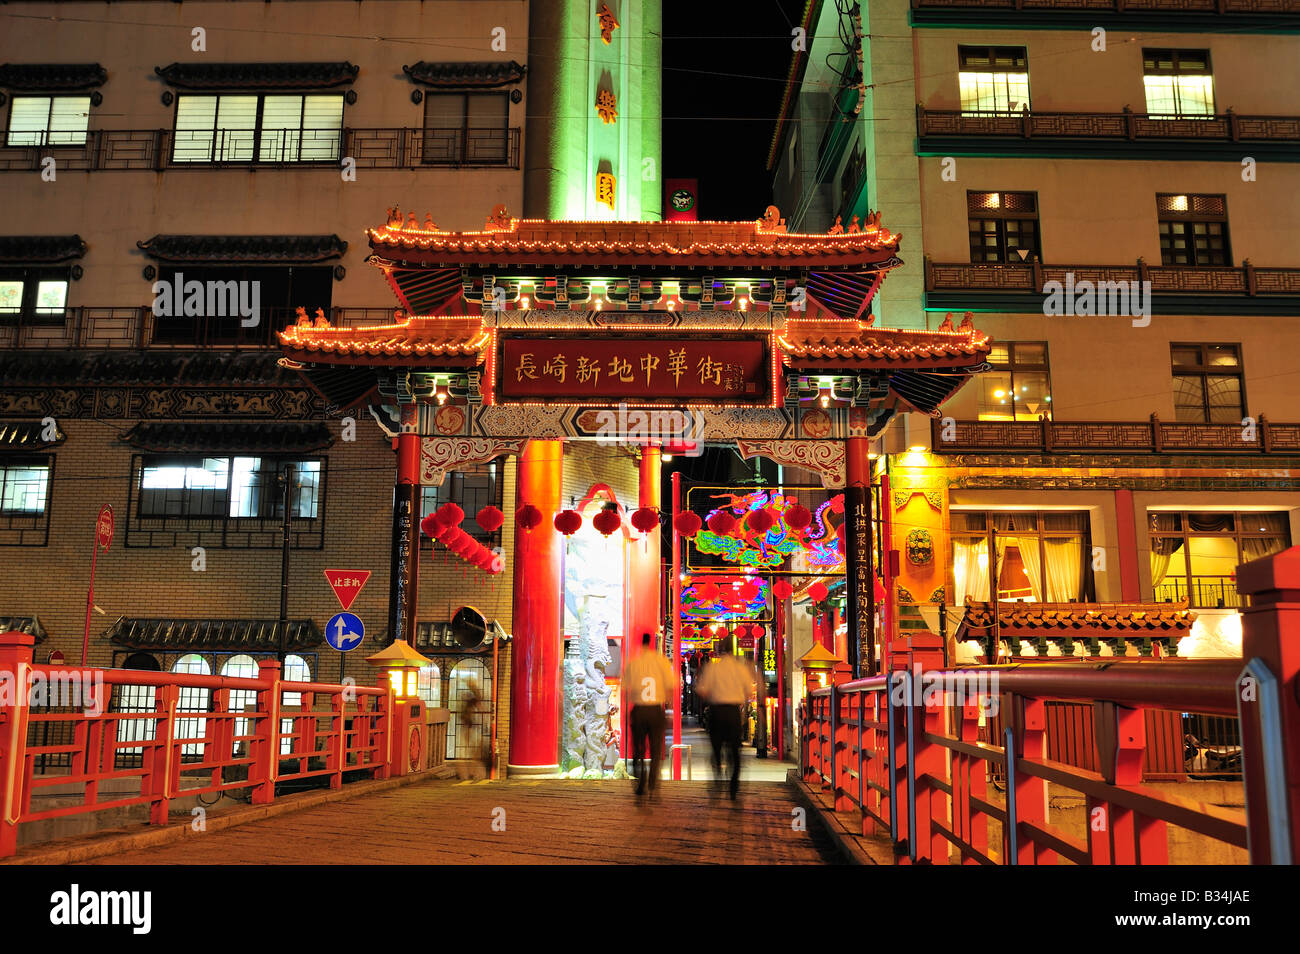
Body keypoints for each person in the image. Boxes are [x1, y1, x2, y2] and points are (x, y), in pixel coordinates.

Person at [696, 638, 757, 800]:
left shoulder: (713, 669)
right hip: (733, 713)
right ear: (733, 650)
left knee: (716, 748)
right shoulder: (740, 668)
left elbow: (703, 690)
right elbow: (749, 692)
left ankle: (717, 779)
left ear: (721, 650)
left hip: (717, 711)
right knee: (735, 750)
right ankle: (733, 786)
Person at [623, 632, 676, 800]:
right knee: (655, 749)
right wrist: (667, 705)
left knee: (638, 748)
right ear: (653, 643)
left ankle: (640, 781)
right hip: (655, 710)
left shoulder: (634, 663)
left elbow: (625, 687)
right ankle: (653, 785)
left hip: (639, 709)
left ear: (641, 644)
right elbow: (670, 686)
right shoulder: (661, 662)